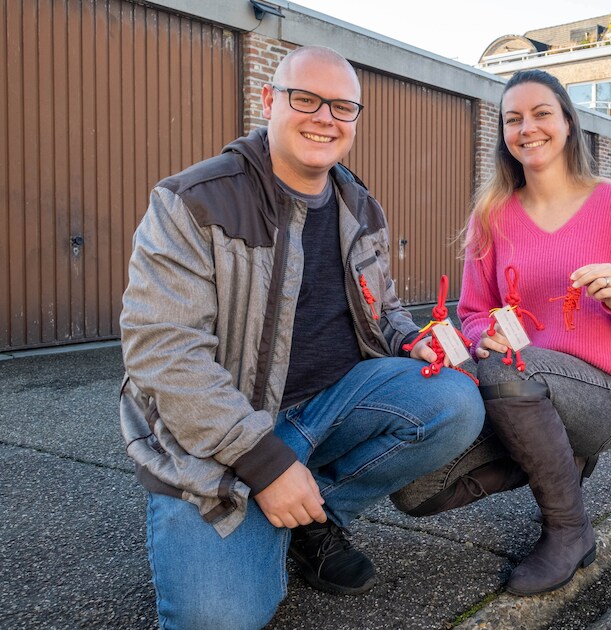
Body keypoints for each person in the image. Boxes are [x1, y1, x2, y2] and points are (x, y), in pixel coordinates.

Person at [119, 46, 483, 628]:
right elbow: (162, 351)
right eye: (305, 99)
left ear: (356, 118)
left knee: (454, 401)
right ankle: (270, 507)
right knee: (220, 618)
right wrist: (264, 463)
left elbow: (383, 307)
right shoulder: (194, 202)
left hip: (328, 409)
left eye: (342, 106)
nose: (325, 118)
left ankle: (313, 516)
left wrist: (411, 340)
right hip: (220, 436)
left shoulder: (359, 206)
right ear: (269, 101)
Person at [455, 69, 611, 596]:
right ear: (504, 135)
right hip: (523, 389)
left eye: (540, 114)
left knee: (511, 368)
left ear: (567, 123)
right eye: (514, 119)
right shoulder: (492, 216)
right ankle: (556, 462)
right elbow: (473, 313)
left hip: (609, 396)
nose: (527, 128)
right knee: (420, 492)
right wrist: (483, 334)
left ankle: (568, 531)